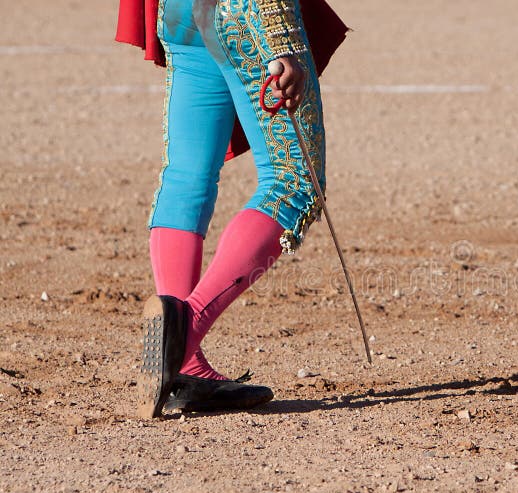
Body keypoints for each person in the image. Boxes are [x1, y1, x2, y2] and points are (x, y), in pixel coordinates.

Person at [115, 0, 347, 417]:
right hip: (248, 13)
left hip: (179, 11)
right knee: (293, 181)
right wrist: (280, 40)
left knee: (186, 176)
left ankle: (183, 365)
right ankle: (183, 335)